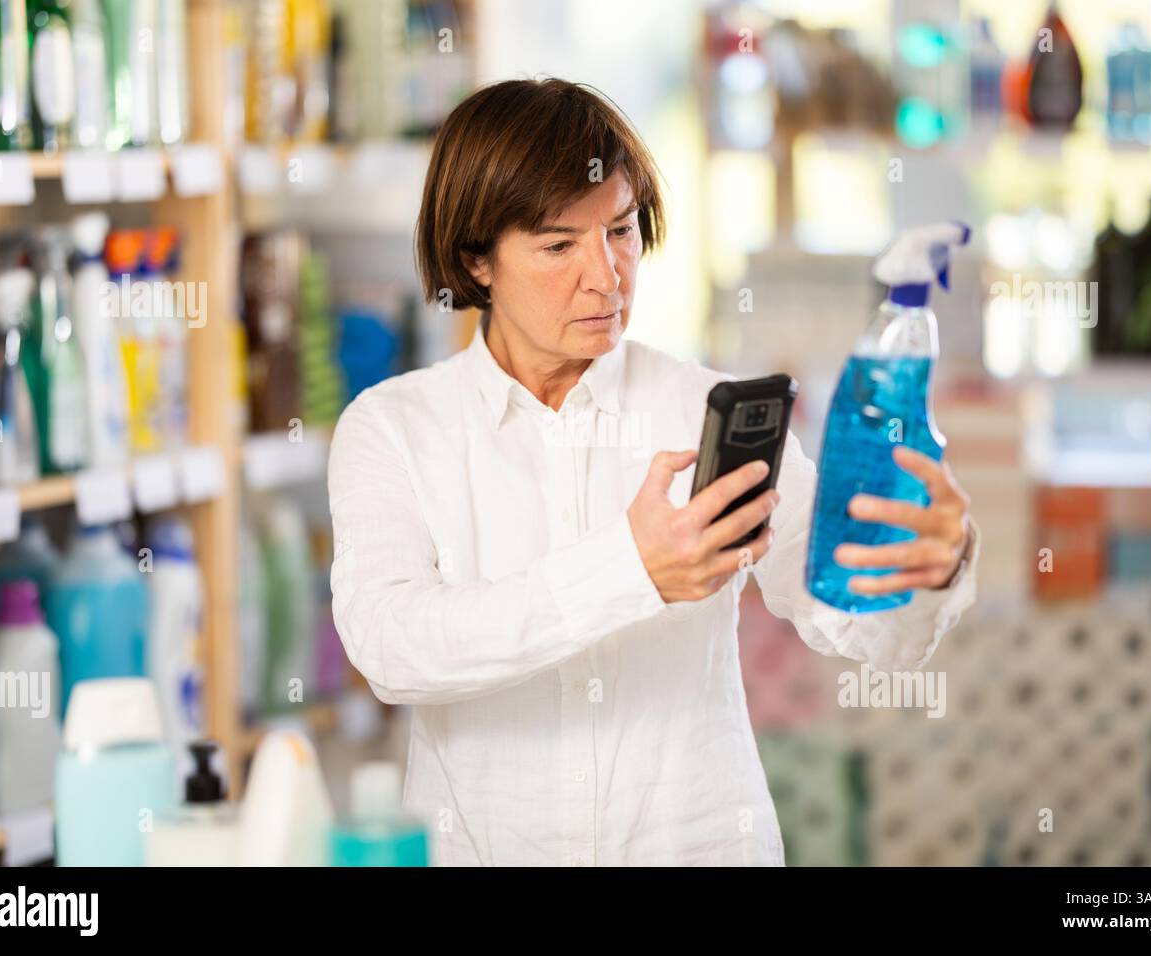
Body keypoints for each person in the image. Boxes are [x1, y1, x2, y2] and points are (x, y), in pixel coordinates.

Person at [327, 77, 979, 866]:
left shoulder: (709, 409)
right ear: (477, 260)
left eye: (623, 232)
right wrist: (631, 568)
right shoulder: (394, 430)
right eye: (559, 245)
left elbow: (865, 627)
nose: (606, 277)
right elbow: (394, 650)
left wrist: (927, 570)